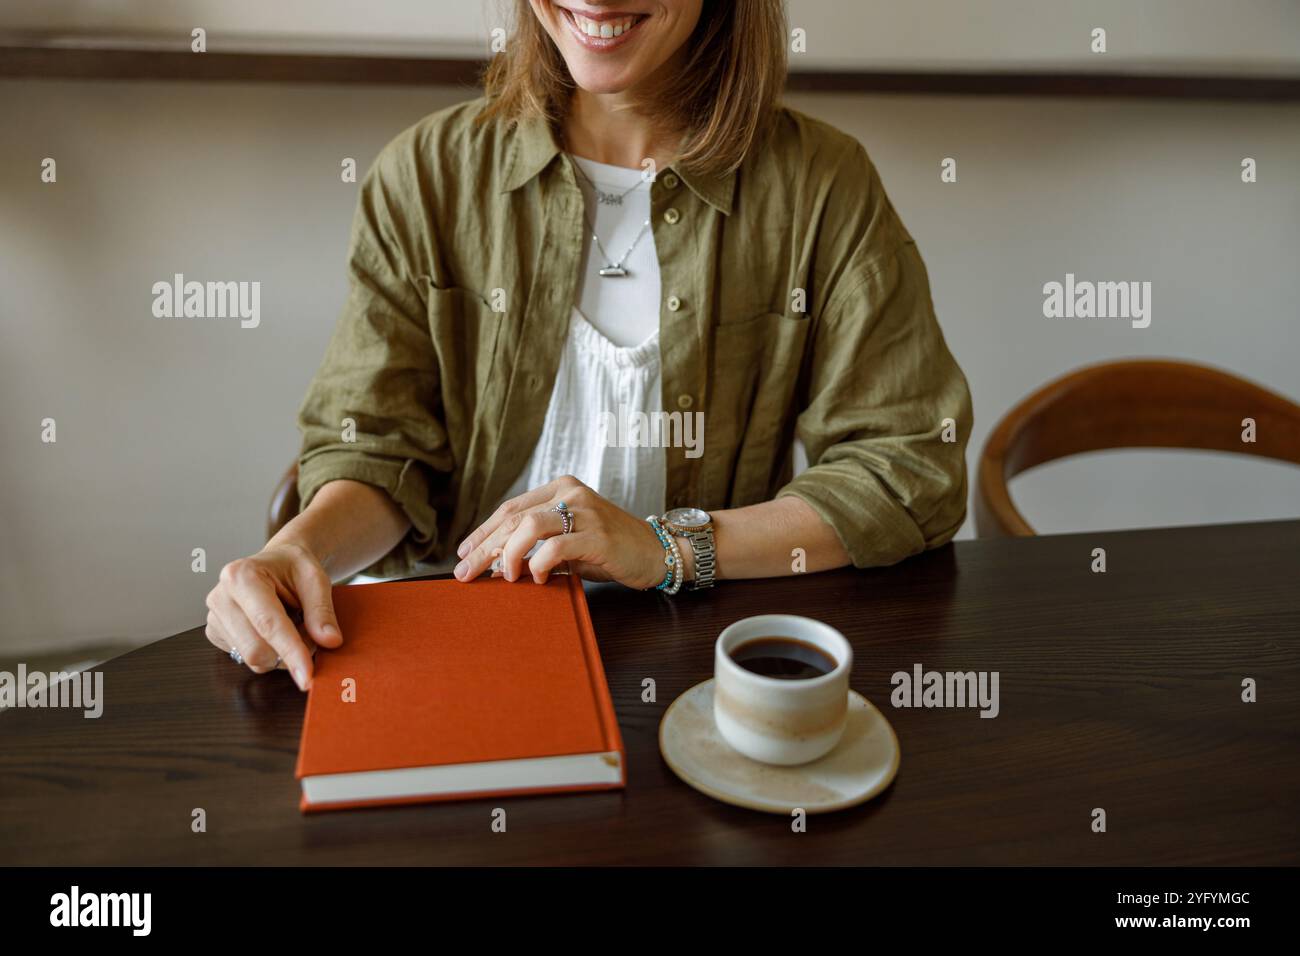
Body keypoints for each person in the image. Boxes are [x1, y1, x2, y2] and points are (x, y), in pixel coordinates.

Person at [204, 0, 972, 692]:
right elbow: (375, 452)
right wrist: (296, 551)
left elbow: (908, 465)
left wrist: (665, 548)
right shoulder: (424, 177)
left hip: (692, 661)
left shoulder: (820, 187)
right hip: (443, 646)